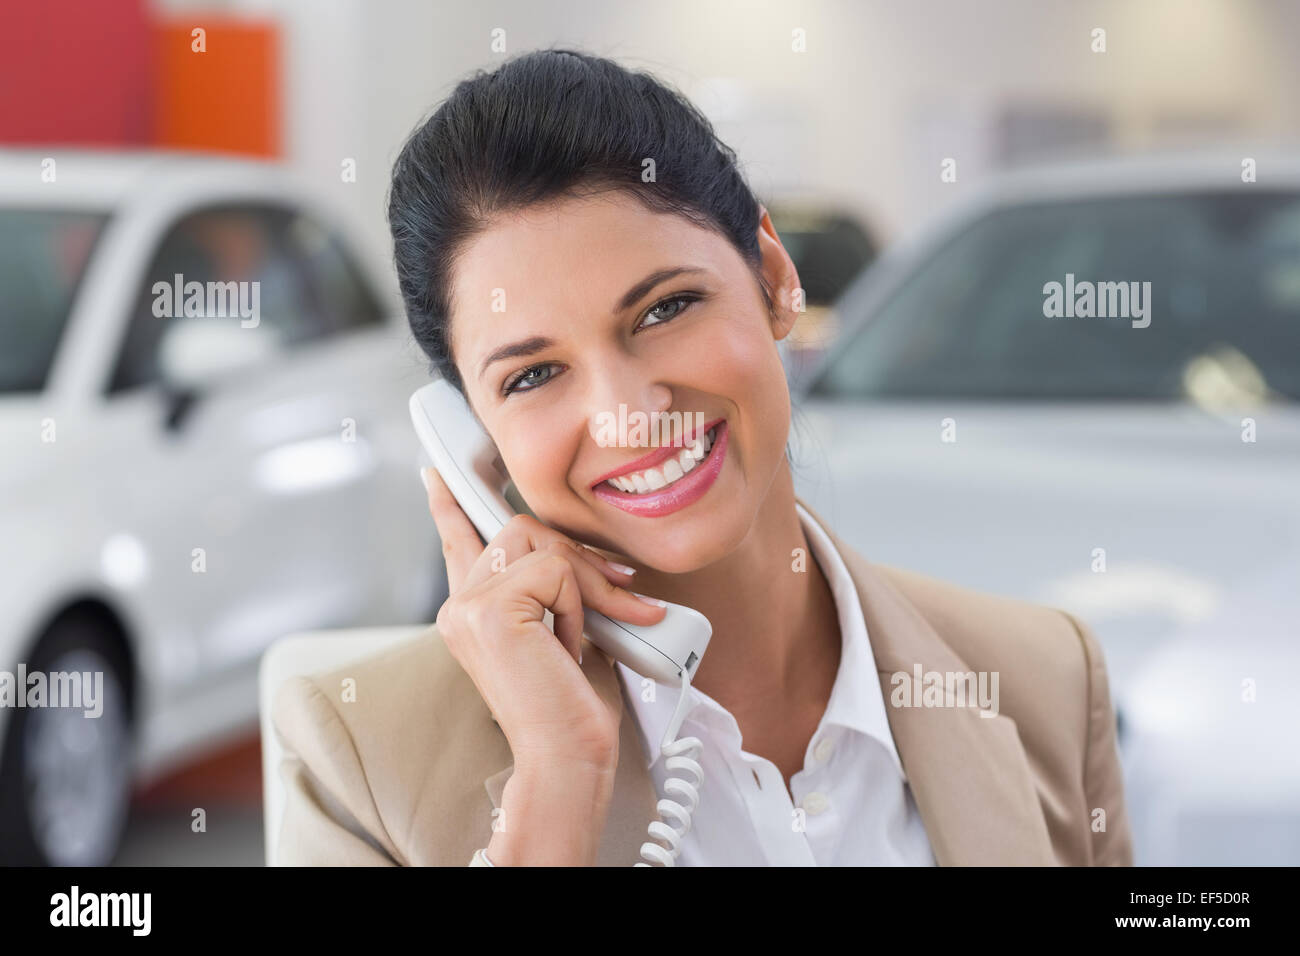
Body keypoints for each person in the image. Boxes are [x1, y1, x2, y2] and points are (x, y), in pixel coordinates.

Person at [270, 48, 1132, 866]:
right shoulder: (359, 762)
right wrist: (556, 780)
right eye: (533, 374)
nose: (628, 416)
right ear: (470, 437)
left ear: (773, 276)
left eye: (664, 310)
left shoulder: (1044, 678)